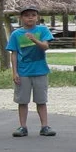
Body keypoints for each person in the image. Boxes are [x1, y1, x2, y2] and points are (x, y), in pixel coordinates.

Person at [7, 8, 54, 138]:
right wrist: (14, 72)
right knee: (22, 101)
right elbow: (14, 53)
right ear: (21, 18)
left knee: (41, 100)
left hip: (40, 70)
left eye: (33, 15)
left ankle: (44, 126)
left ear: (37, 17)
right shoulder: (16, 34)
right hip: (23, 71)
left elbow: (45, 47)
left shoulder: (42, 30)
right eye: (27, 16)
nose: (30, 18)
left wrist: (34, 39)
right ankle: (23, 126)